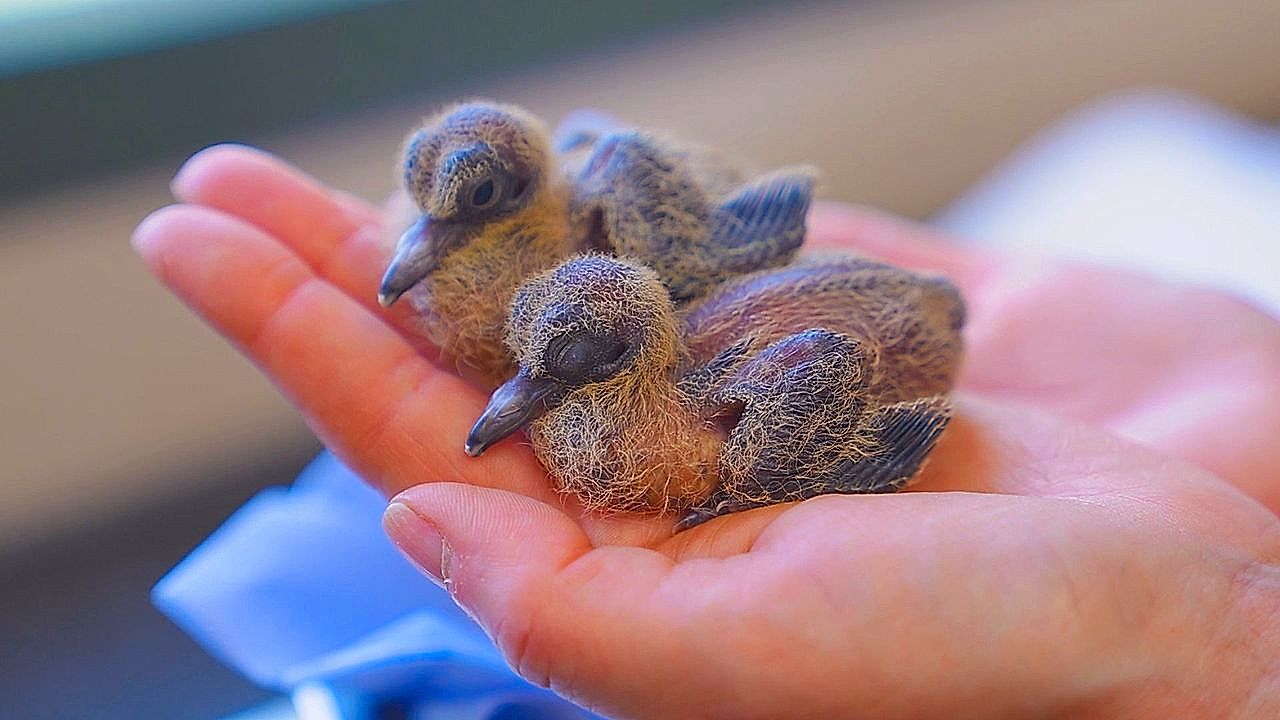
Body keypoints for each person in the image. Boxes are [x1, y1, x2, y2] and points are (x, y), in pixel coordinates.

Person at [133, 144, 1279, 719]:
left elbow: (825, 357)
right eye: (539, 367)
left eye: (560, 370)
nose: (522, 398)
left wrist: (1228, 643)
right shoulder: (613, 333)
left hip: (882, 334)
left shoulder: (714, 418)